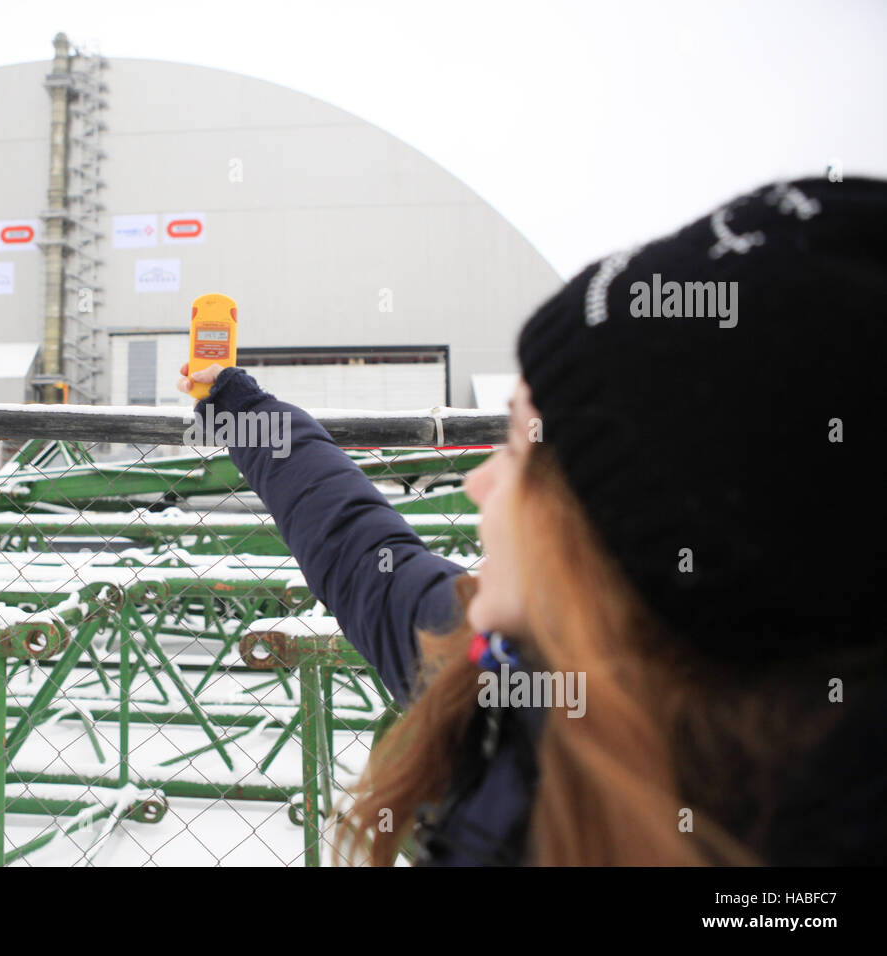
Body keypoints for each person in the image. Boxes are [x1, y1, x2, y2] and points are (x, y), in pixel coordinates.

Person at [177, 175, 887, 866]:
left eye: (521, 450)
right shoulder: (494, 672)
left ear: (633, 534)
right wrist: (238, 404)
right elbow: (355, 545)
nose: (483, 483)